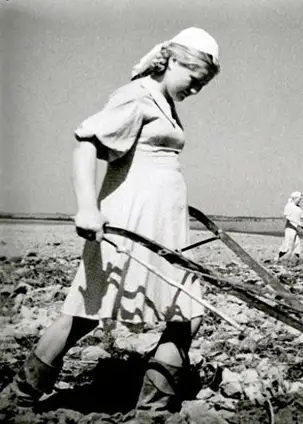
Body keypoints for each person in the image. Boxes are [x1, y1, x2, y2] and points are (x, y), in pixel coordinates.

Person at [1, 27, 221, 414]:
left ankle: (148, 410)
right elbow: (86, 145)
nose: (196, 91)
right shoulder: (135, 96)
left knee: (182, 312)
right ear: (172, 61)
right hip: (130, 224)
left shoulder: (162, 102)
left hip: (161, 229)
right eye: (194, 79)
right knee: (89, 311)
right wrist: (87, 207)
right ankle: (19, 397)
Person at [275, 191, 303, 261]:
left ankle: (296, 260)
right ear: (295, 198)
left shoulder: (298, 208)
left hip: (295, 229)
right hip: (290, 229)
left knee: (297, 245)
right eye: (299, 199)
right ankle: (277, 258)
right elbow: (287, 217)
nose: (300, 201)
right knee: (287, 247)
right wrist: (298, 223)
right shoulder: (288, 206)